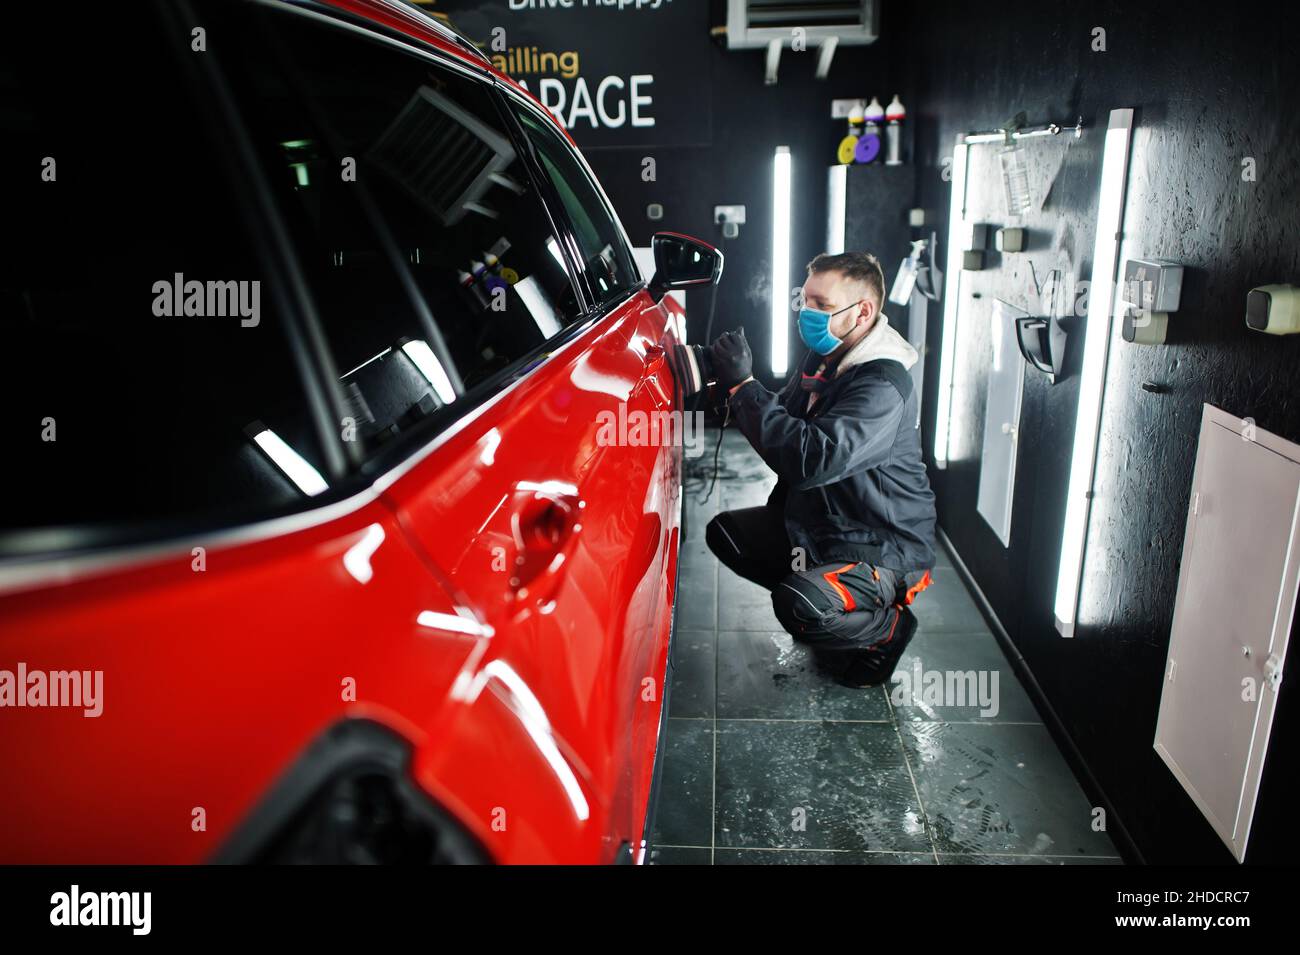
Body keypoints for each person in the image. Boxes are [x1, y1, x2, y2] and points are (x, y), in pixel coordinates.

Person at [704, 251, 937, 687]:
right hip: (825, 528)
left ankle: (886, 630)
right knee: (728, 536)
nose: (807, 313)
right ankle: (824, 601)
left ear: (863, 312)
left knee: (799, 603)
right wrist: (724, 384)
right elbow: (784, 421)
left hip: (883, 546)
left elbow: (810, 459)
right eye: (805, 301)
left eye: (822, 305)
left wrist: (745, 386)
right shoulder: (824, 359)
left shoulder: (883, 384)